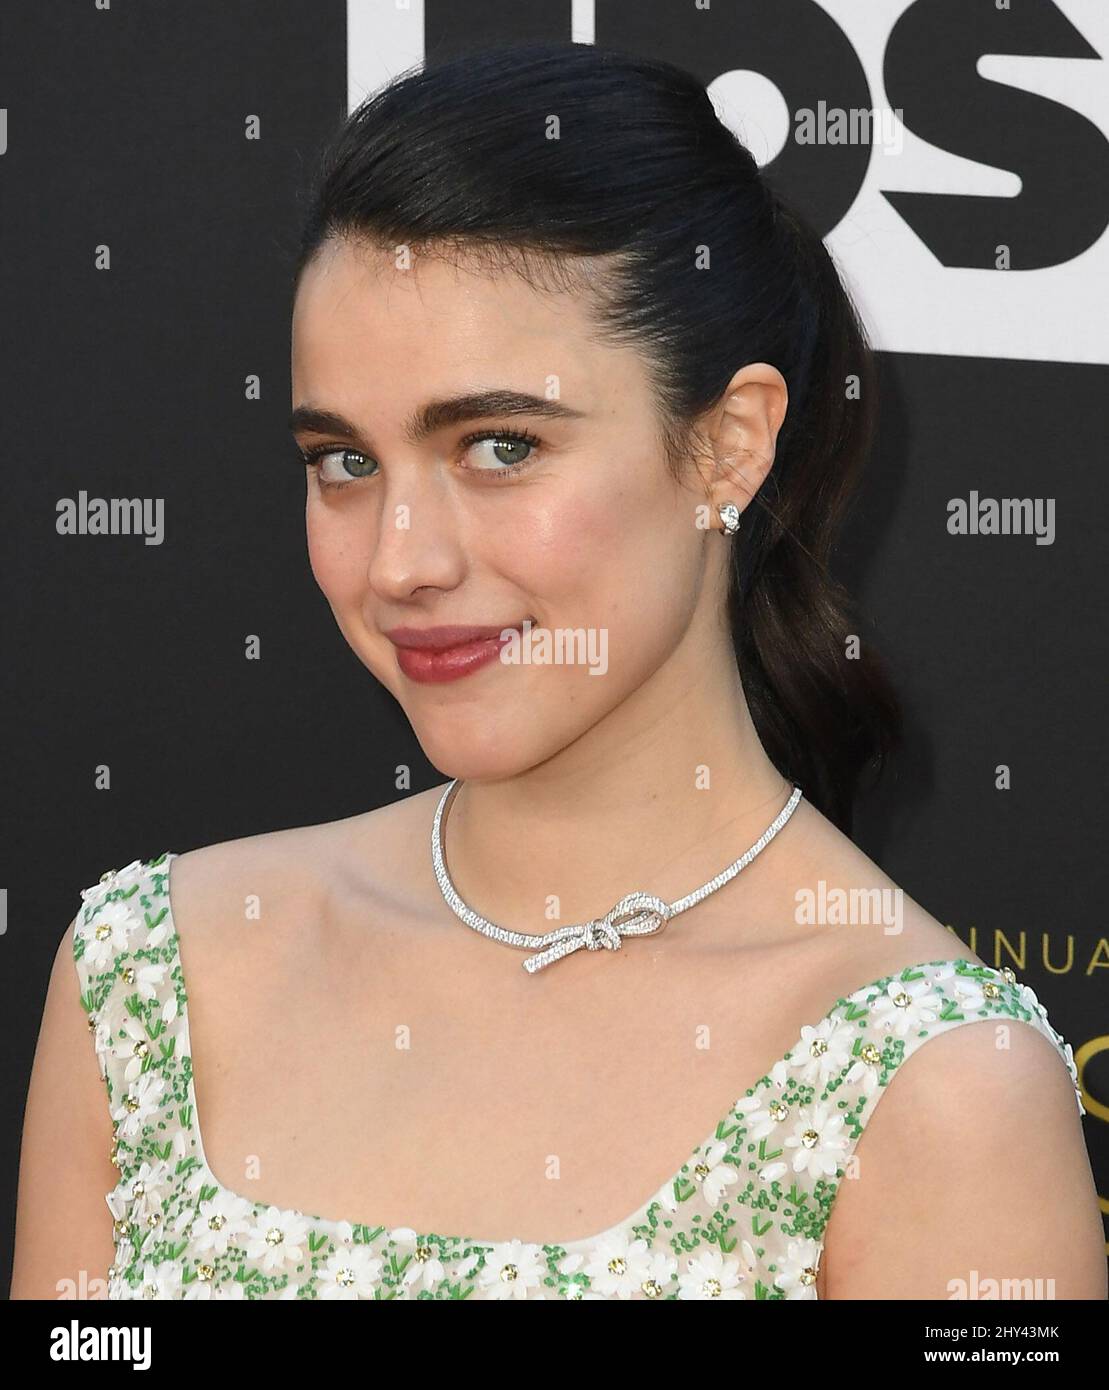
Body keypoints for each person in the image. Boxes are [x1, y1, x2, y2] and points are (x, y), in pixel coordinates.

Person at [11, 40, 1104, 1302]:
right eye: (344, 462)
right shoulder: (153, 975)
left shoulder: (933, 1087)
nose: (400, 563)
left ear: (725, 448)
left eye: (498, 446)